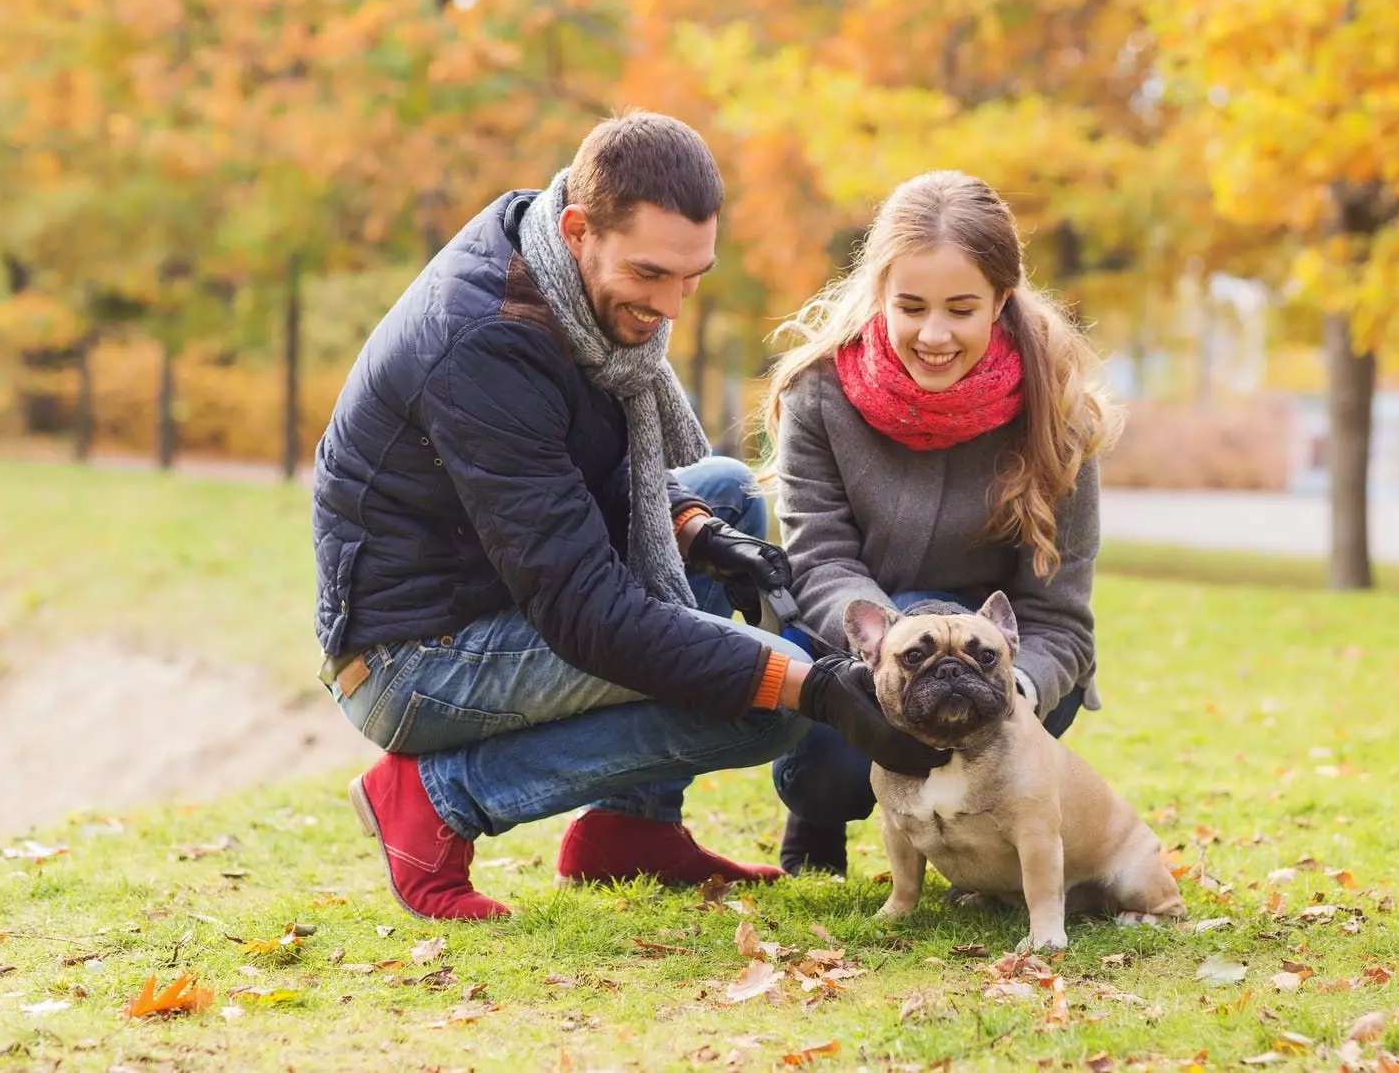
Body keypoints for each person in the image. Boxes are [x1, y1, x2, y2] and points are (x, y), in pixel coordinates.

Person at [310, 112, 946, 920]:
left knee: (719, 490)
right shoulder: (485, 345)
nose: (670, 305)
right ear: (580, 230)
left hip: (497, 591)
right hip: (411, 657)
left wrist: (696, 531)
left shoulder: (555, 266)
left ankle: (630, 830)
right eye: (651, 274)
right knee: (763, 713)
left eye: (691, 277)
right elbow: (588, 614)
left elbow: (597, 478)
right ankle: (435, 798)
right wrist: (811, 686)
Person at [762, 170, 1123, 875]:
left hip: (1004, 664)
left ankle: (987, 851)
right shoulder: (817, 396)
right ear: (878, 296)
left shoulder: (1059, 416)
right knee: (827, 769)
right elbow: (820, 561)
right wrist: (897, 644)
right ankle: (818, 811)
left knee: (1001, 749)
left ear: (1000, 300)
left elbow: (1059, 616)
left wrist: (1011, 685)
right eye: (911, 306)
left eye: (961, 308)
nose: (934, 333)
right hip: (866, 644)